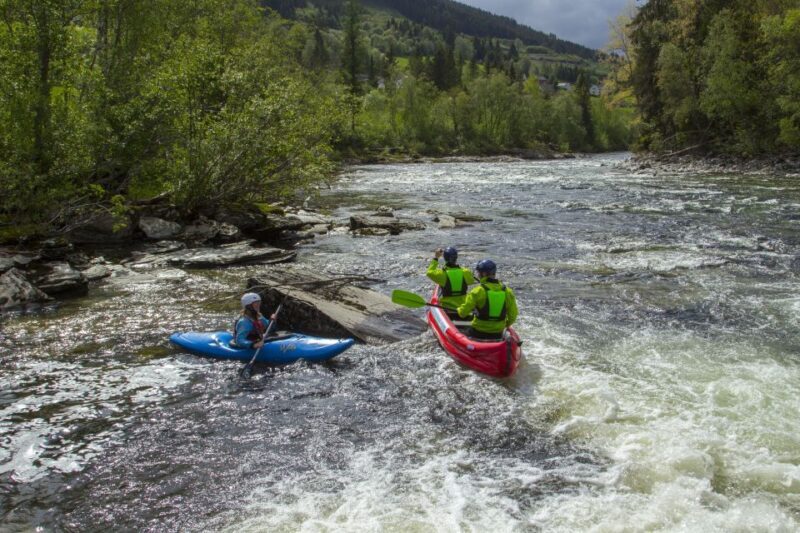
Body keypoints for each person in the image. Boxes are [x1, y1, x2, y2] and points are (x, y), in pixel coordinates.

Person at [457, 259, 518, 340]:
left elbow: (462, 313)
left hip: (478, 332)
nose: (478, 275)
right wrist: (504, 325)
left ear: (484, 273)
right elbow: (513, 316)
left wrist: (459, 309)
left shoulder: (477, 291)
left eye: (479, 273)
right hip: (498, 333)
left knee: (462, 331)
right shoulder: (508, 292)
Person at [427, 246, 475, 318]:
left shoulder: (441, 274)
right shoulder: (465, 272)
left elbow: (429, 273)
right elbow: (471, 281)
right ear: (456, 258)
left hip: (447, 308)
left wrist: (436, 258)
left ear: (444, 258)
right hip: (463, 308)